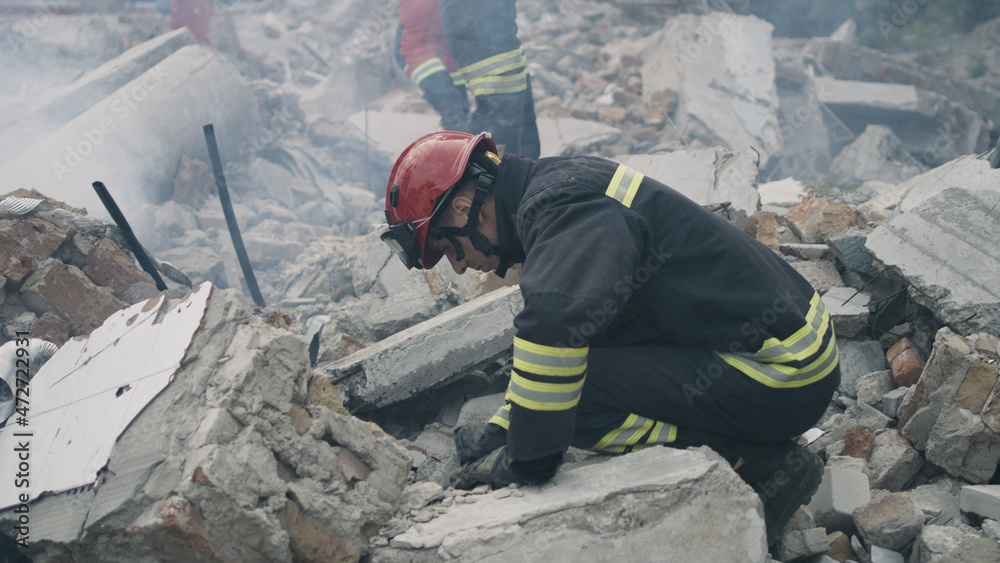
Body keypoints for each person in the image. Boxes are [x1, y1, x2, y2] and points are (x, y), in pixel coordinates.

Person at [380, 131, 840, 547]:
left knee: (572, 396)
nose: (458, 268)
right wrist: (503, 427)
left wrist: (526, 460)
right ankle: (741, 447)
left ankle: (753, 464)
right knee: (567, 372)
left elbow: (555, 326)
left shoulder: (562, 208)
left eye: (445, 249)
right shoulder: (553, 187)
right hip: (788, 348)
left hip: (785, 374)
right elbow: (586, 328)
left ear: (463, 207)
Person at [396, 0, 540, 158]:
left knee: (517, 139)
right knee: (499, 141)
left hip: (472, 54)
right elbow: (416, 44)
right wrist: (452, 107)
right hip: (433, 51)